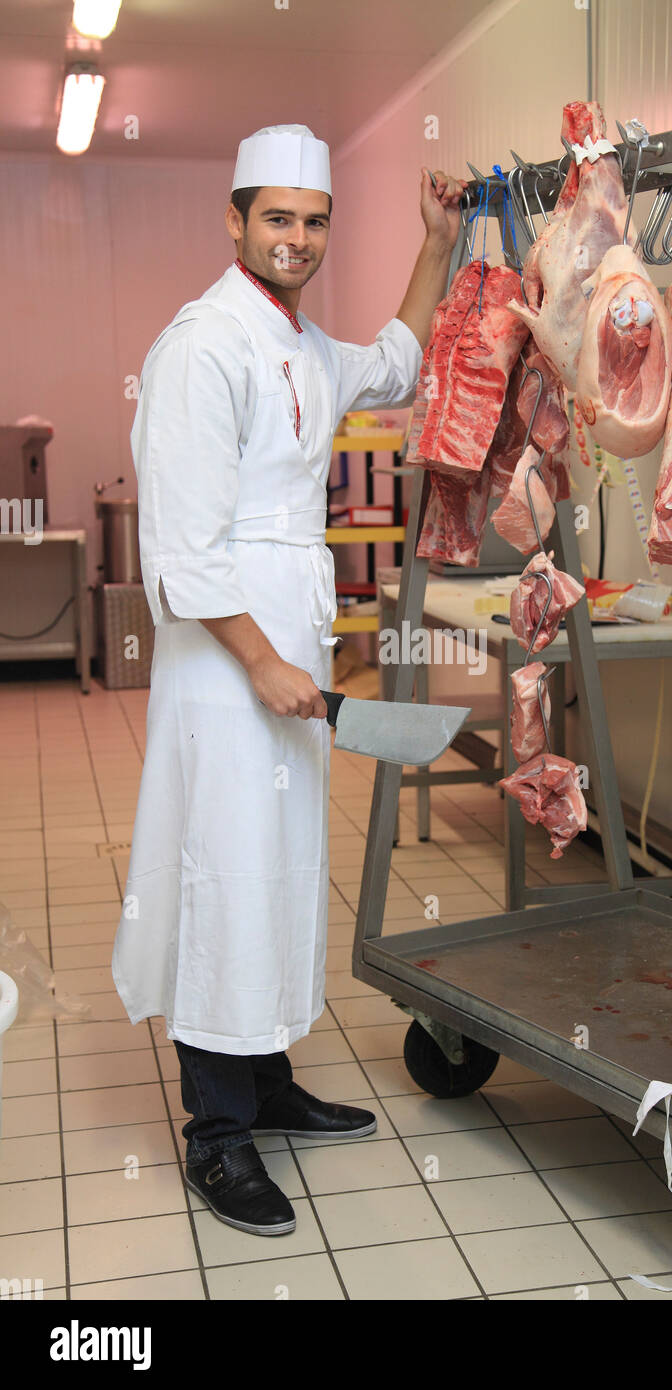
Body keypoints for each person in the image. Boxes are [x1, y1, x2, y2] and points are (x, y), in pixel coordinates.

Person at [111, 124, 466, 1236]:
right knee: (225, 865)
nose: (298, 238)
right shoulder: (200, 345)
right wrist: (260, 659)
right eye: (278, 219)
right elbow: (178, 546)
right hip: (228, 666)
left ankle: (262, 1083)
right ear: (234, 220)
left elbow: (401, 360)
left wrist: (438, 243)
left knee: (276, 864)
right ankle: (215, 1135)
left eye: (314, 222)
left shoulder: (303, 347)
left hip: (288, 652)